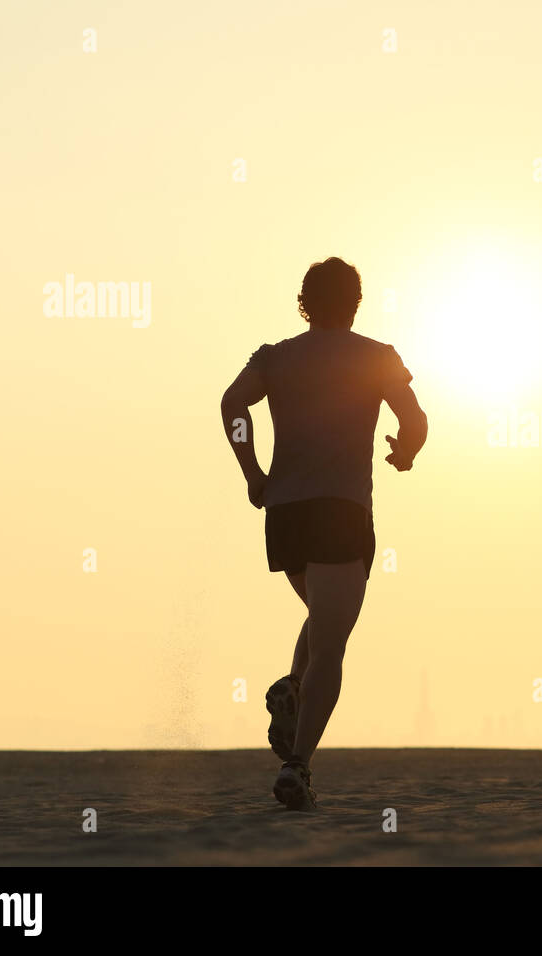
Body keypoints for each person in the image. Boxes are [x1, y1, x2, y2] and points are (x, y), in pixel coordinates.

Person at [220, 257, 427, 810]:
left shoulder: (274, 357)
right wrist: (403, 454)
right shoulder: (377, 357)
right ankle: (298, 766)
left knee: (323, 617)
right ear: (355, 302)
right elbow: (416, 421)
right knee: (332, 642)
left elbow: (231, 404)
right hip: (341, 509)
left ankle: (291, 689)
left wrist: (252, 471)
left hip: (285, 513)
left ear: (305, 303)